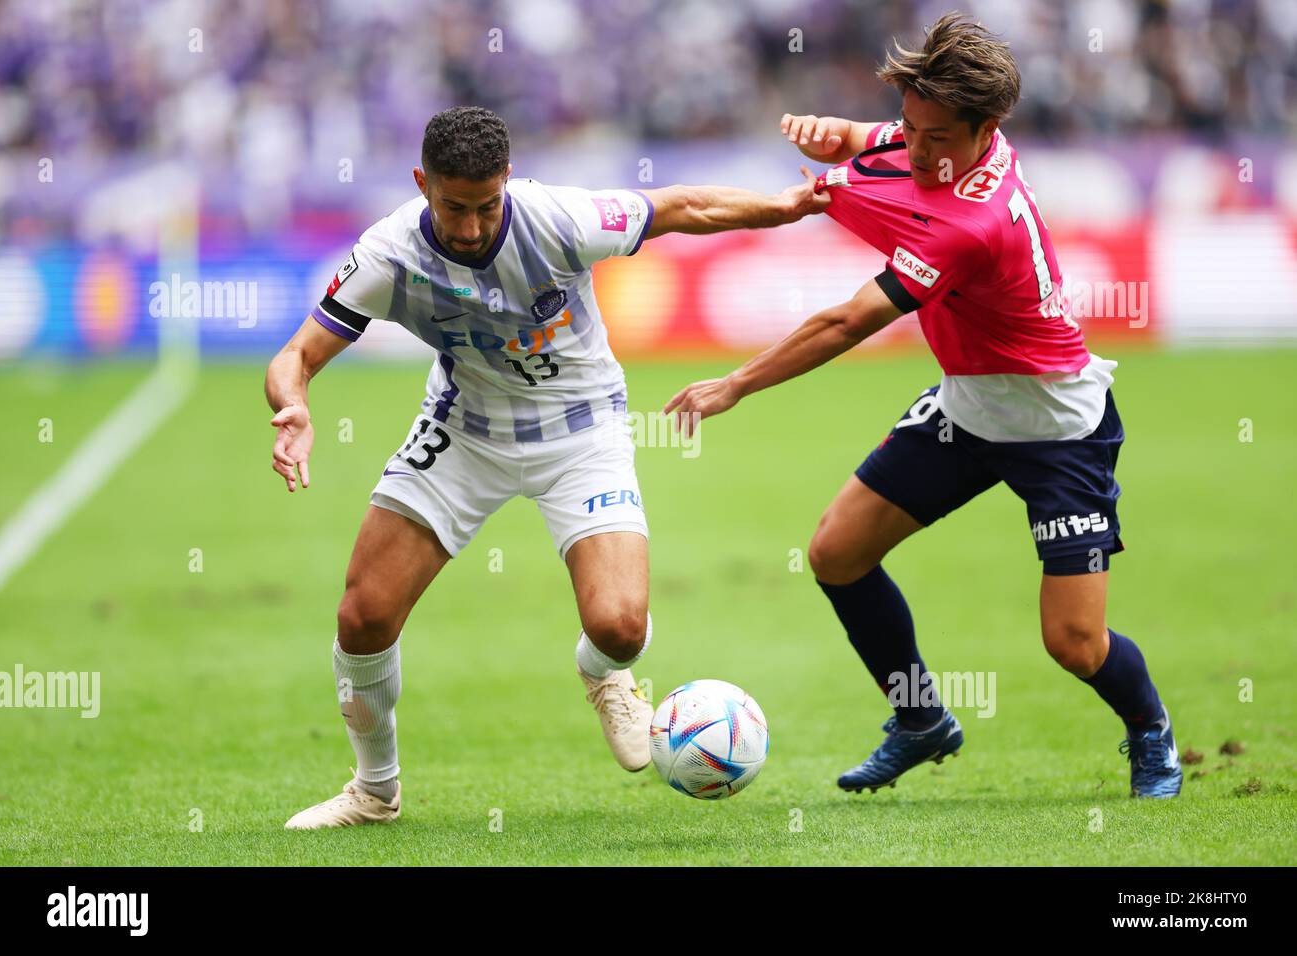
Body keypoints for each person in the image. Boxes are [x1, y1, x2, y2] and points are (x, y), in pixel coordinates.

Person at [266, 106, 830, 828]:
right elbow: (296, 356)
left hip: (582, 431)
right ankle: (376, 792)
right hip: (464, 432)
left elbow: (681, 206)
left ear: (508, 181)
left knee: (621, 626)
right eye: (452, 208)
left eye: (486, 206)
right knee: (363, 615)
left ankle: (605, 678)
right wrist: (294, 407)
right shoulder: (389, 255)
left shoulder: (561, 218)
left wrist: (782, 207)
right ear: (422, 184)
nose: (470, 228)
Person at [665, 14, 1181, 799]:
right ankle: (920, 720)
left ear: (988, 130)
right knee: (837, 555)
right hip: (968, 409)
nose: (916, 149)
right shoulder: (938, 139)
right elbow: (863, 139)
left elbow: (844, 323)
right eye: (910, 127)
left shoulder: (970, 226)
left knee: (1073, 643)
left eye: (935, 136)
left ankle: (1151, 734)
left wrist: (735, 383)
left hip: (1055, 427)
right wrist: (828, 131)